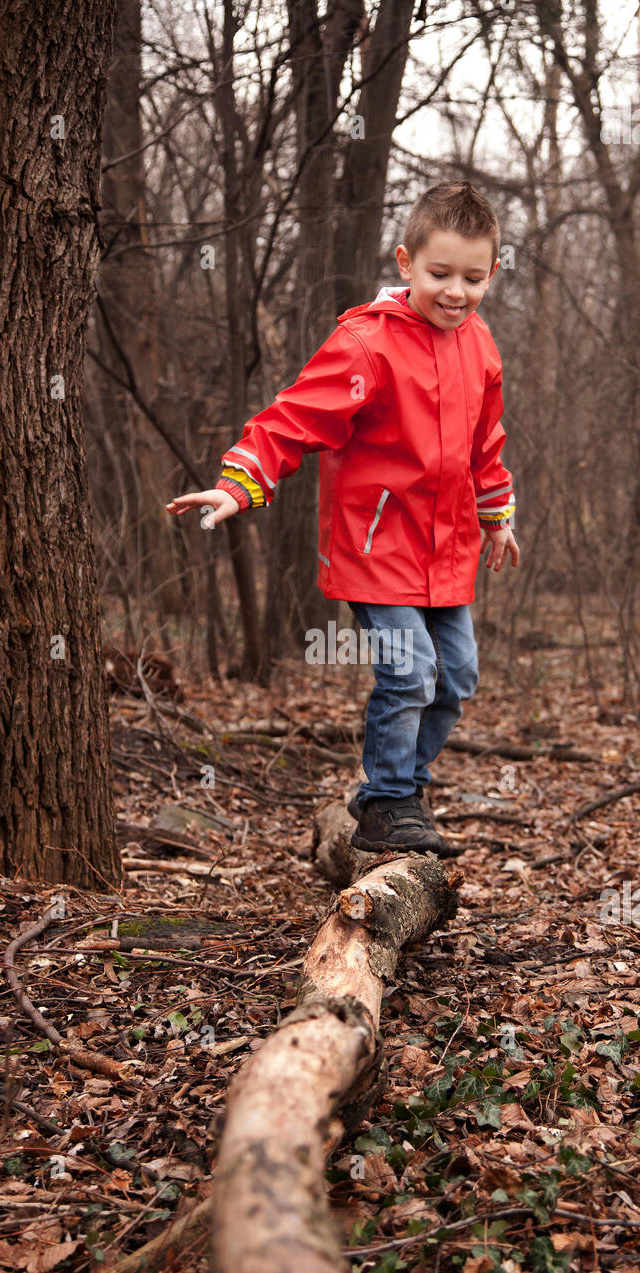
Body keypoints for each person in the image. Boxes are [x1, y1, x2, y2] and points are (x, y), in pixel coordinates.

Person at [167, 181, 519, 856]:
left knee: (457, 677)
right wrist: (238, 486)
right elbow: (291, 420)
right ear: (405, 262)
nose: (456, 291)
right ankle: (388, 803)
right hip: (375, 548)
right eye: (440, 273)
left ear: (492, 273)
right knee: (409, 672)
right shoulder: (366, 345)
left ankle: (397, 791)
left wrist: (496, 512)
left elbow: (486, 441)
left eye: (473, 278)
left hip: (447, 552)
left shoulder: (480, 346)